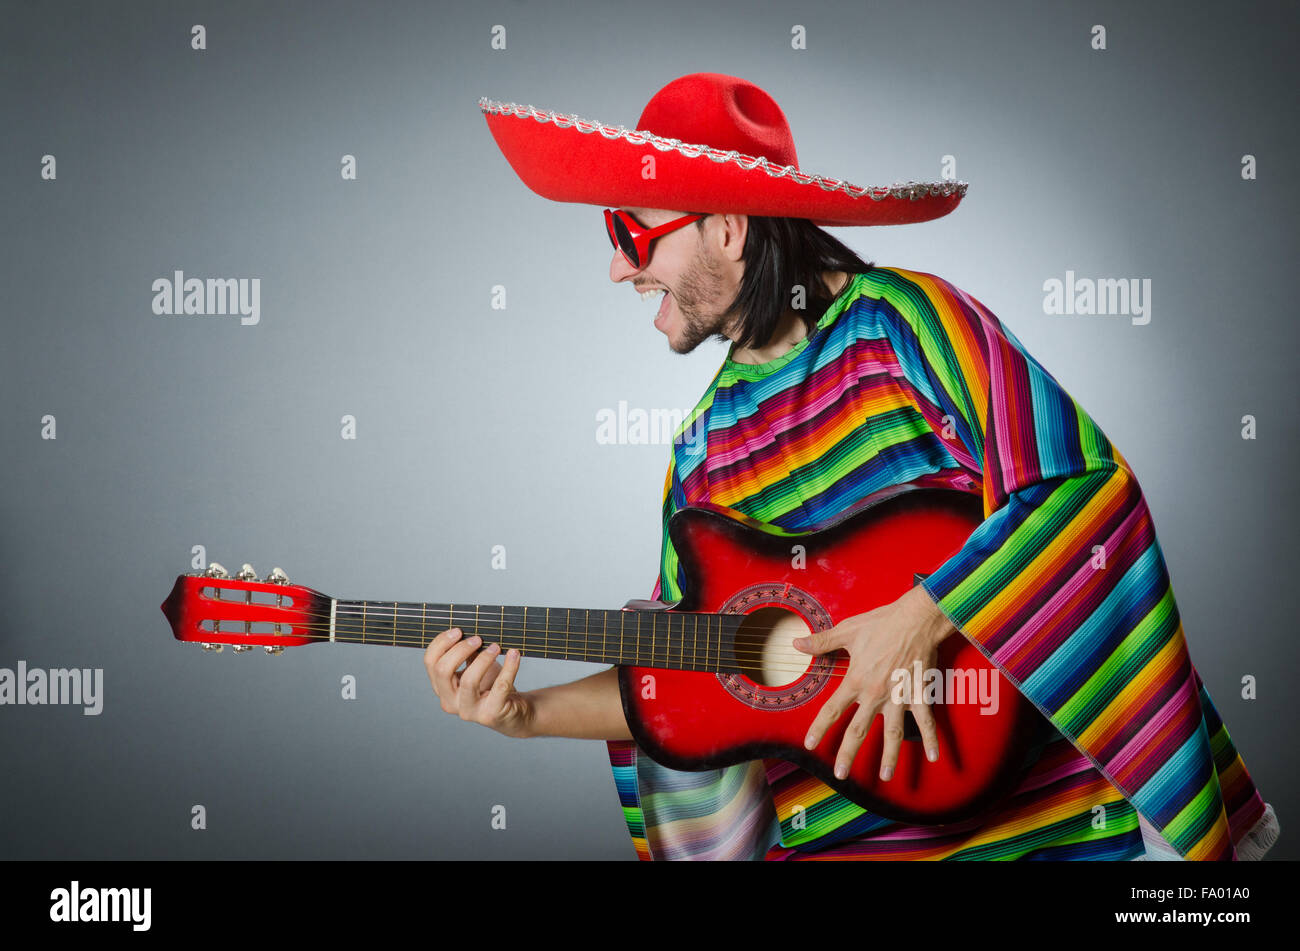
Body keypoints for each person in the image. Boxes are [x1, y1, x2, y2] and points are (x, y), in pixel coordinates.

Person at [425, 72, 1279, 861]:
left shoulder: (906, 325)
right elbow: (696, 675)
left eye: (630, 231)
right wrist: (524, 714)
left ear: (725, 226)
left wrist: (924, 615)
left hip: (1047, 833)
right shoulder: (700, 446)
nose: (618, 265)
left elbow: (1084, 491)